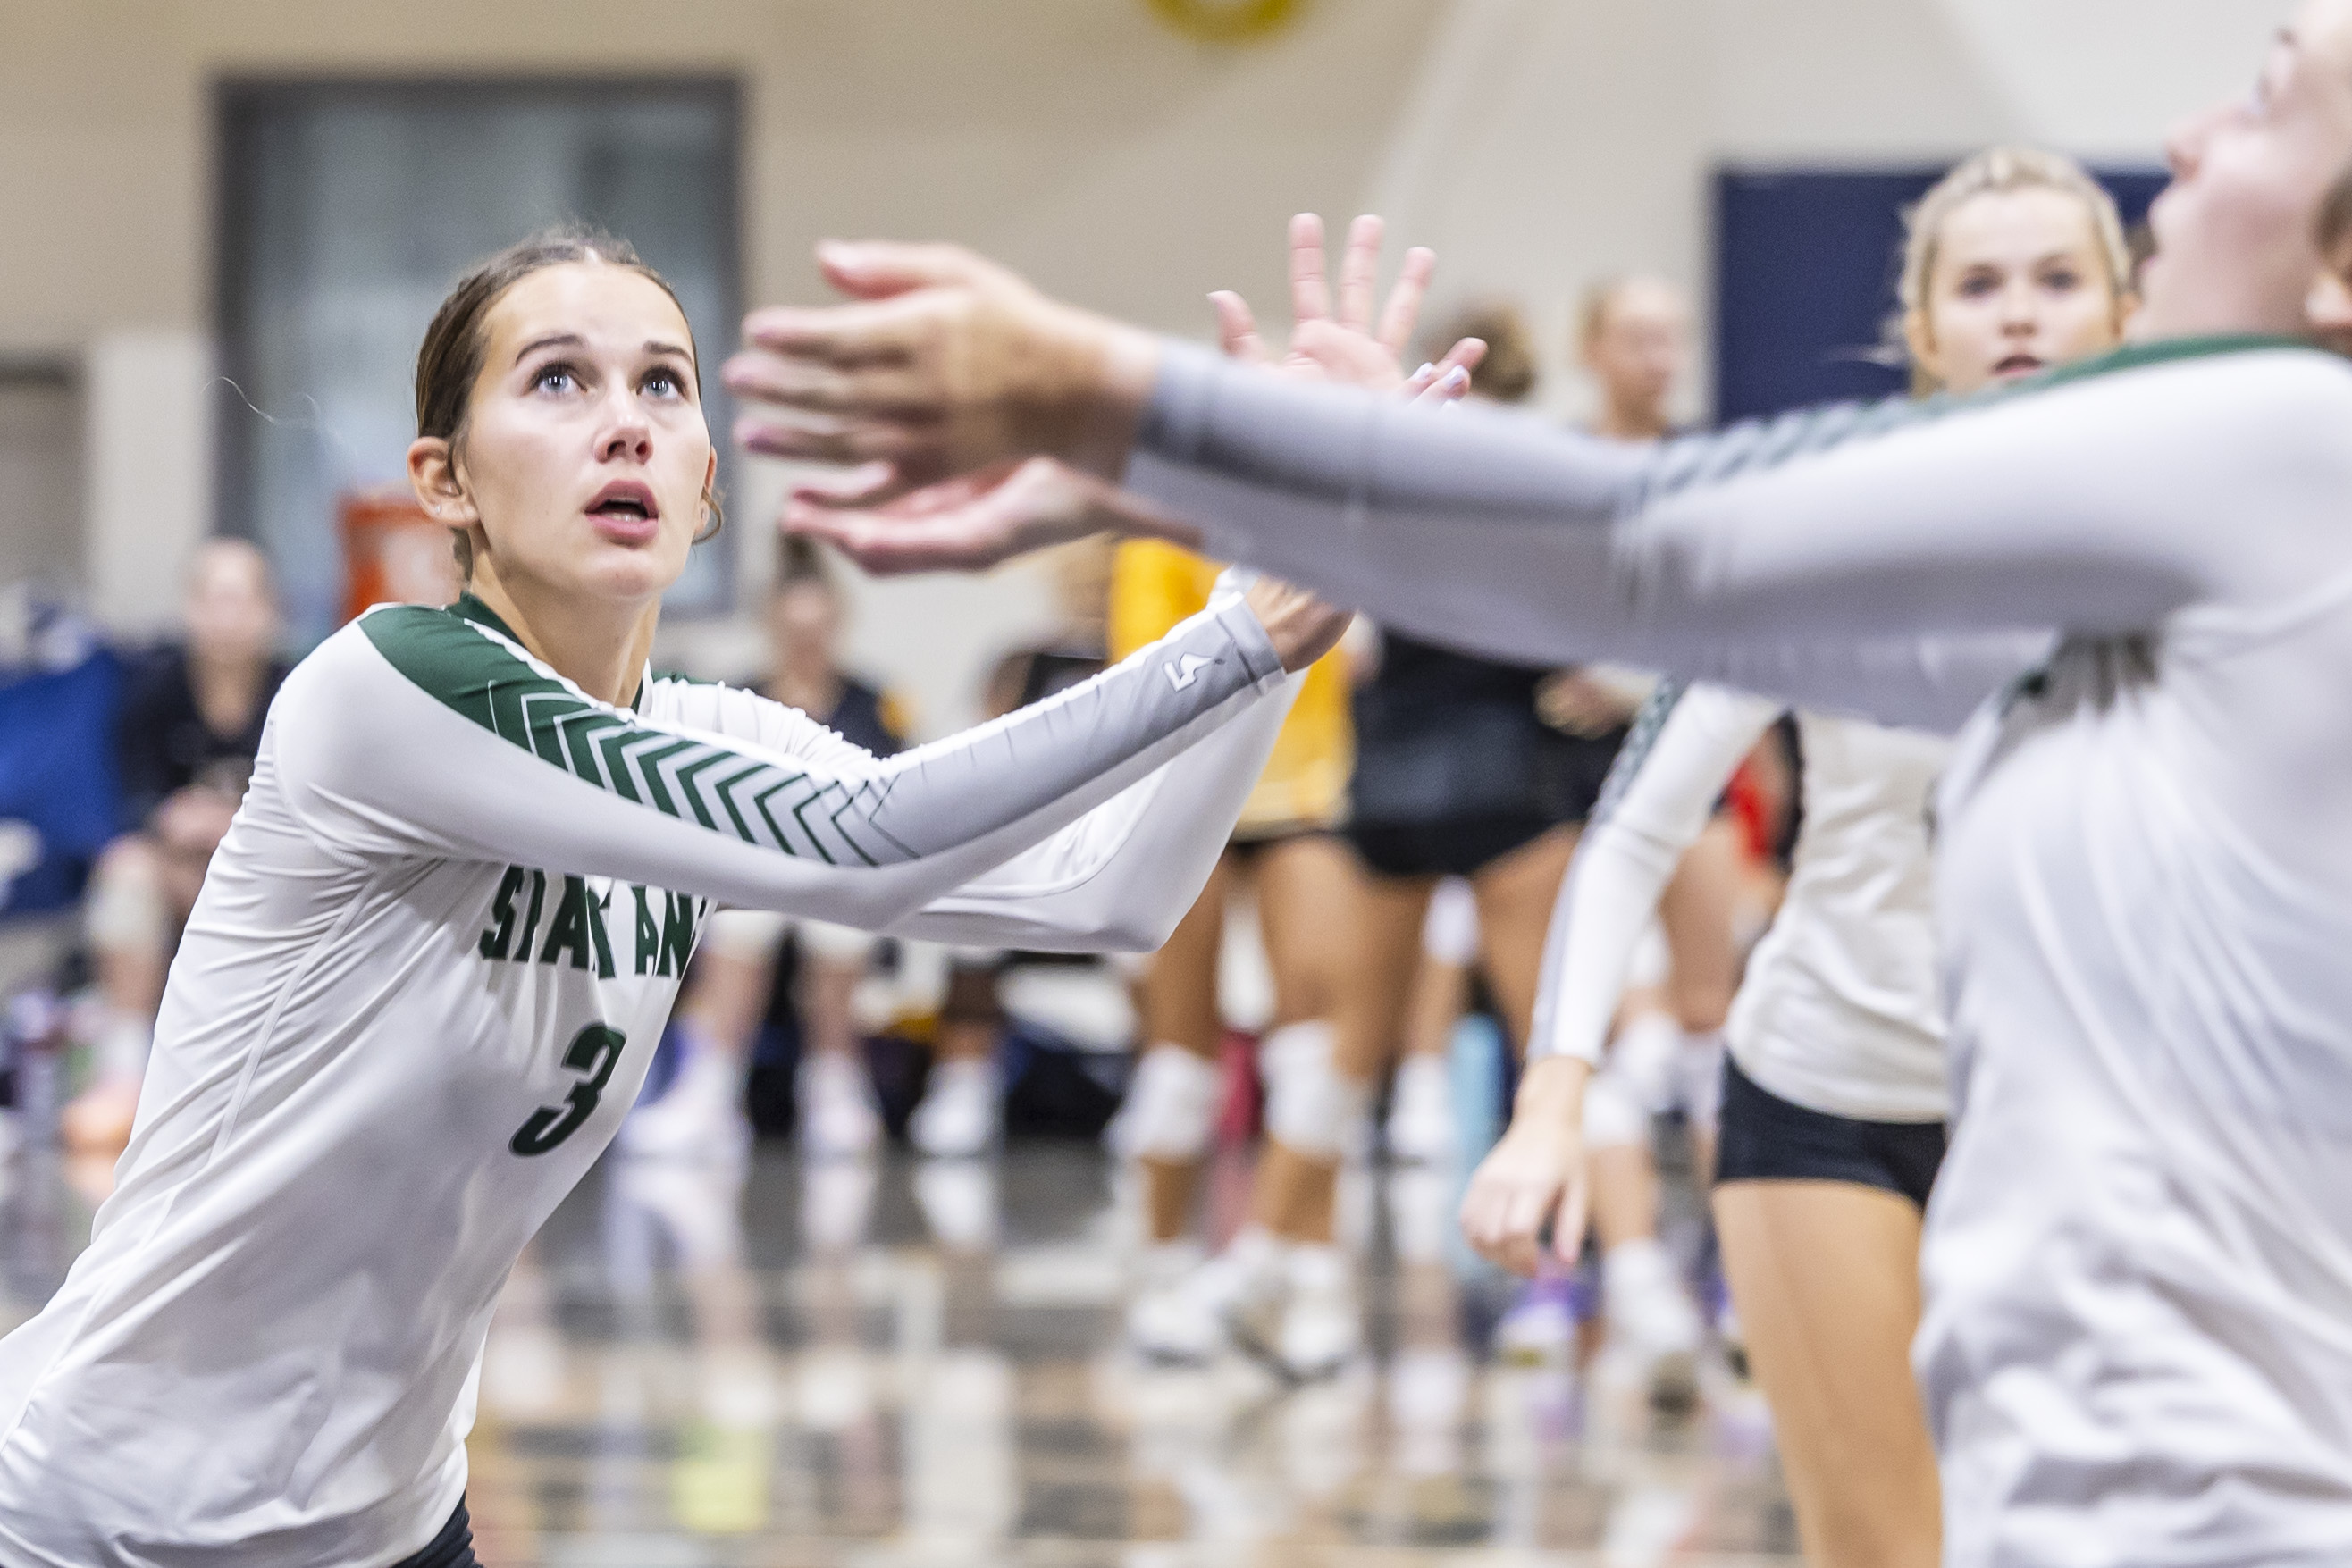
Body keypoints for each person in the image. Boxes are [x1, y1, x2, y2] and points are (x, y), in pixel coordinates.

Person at [730, 13, 2352, 1556]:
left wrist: (1094, 390)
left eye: (2264, 100)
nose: (2185, 133)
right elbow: (1662, 600)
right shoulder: (2139, 569)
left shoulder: (2280, 444)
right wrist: (1311, 487)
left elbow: (1650, 544)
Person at [0, 225, 1347, 1566]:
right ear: (445, 479)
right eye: (558, 381)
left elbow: (1103, 894)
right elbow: (870, 830)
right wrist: (1227, 641)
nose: (625, 425)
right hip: (112, 1515)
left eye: (662, 384)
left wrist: (1270, 602)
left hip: (389, 1523)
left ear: (708, 483)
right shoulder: (390, 686)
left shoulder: (707, 735)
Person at [1492, 147, 2137, 1567]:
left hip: (2088, 1121)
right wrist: (1552, 1098)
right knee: (1893, 1546)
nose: (2017, 312)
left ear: (2122, 309)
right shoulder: (1823, 533)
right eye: (1978, 285)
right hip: (1829, 1096)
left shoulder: (2181, 547)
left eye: (2054, 279)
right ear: (1923, 330)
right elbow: (1633, 830)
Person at [1108, 215, 1449, 1379]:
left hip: (1307, 791)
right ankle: (1163, 1279)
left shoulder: (1343, 511)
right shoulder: (1161, 526)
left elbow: (1384, 639)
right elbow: (1146, 678)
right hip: (1189, 794)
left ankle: (1307, 1282)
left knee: (1318, 1054)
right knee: (1177, 1060)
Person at [620, 535, 918, 1162]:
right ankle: (711, 1086)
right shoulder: (740, 700)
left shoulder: (874, 705)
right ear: (773, 625)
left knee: (837, 915)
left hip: (842, 882)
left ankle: (835, 1080)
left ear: (837, 624)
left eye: (820, 628)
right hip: (753, 877)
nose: (808, 644)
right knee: (744, 911)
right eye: (795, 629)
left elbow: (895, 806)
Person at [64, 539, 290, 1155]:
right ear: (190, 609)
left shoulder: (300, 692)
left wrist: (230, 824)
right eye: (212, 598)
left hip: (271, 879)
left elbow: (319, 812)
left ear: (270, 611)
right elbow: (126, 801)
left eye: (241, 598)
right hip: (177, 870)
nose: (226, 616)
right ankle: (123, 1074)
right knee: (125, 874)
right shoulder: (152, 689)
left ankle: (285, 1082)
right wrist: (174, 822)